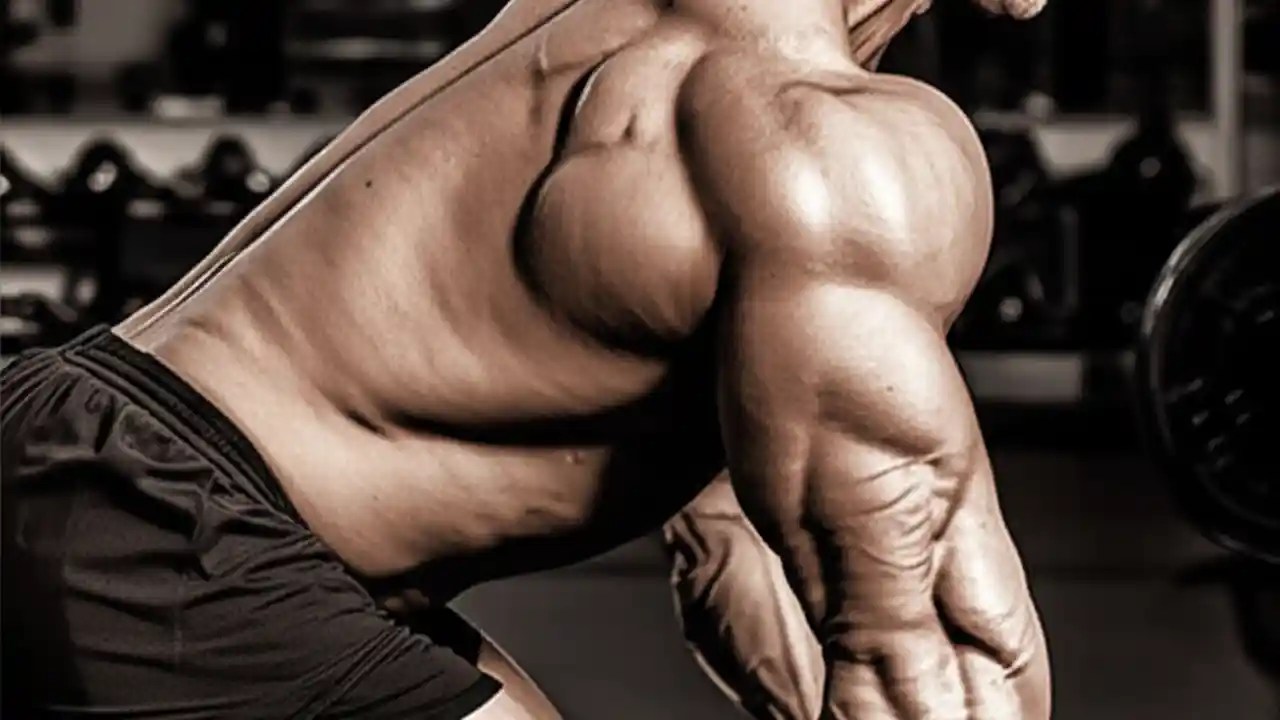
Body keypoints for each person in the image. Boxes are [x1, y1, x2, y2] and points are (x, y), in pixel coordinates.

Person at [1, 0, 1052, 717]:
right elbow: (933, 664)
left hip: (65, 435)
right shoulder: (831, 151)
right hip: (173, 539)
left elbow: (730, 550)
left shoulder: (622, 42)